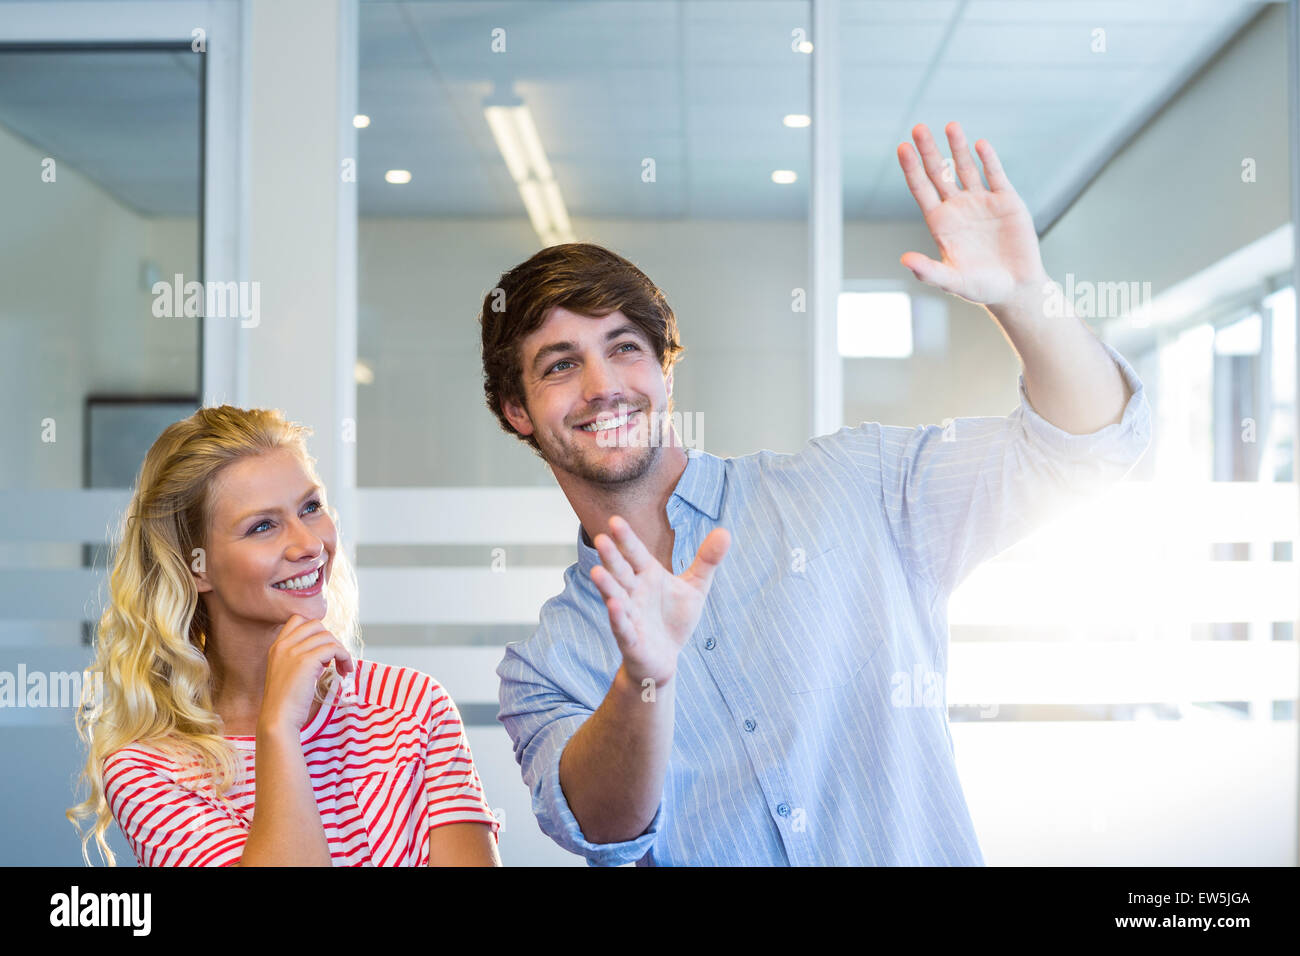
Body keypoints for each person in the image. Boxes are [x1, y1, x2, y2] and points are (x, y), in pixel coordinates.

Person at [485, 122, 1152, 865]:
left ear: (665, 372)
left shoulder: (855, 486)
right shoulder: (545, 666)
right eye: (559, 366)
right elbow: (602, 830)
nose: (603, 386)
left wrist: (1027, 300)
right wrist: (645, 678)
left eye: (624, 348)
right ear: (517, 411)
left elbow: (1088, 448)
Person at [67, 406, 500, 866]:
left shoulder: (412, 705)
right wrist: (278, 730)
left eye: (310, 508)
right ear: (196, 567)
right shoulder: (149, 770)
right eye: (263, 526)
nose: (308, 545)